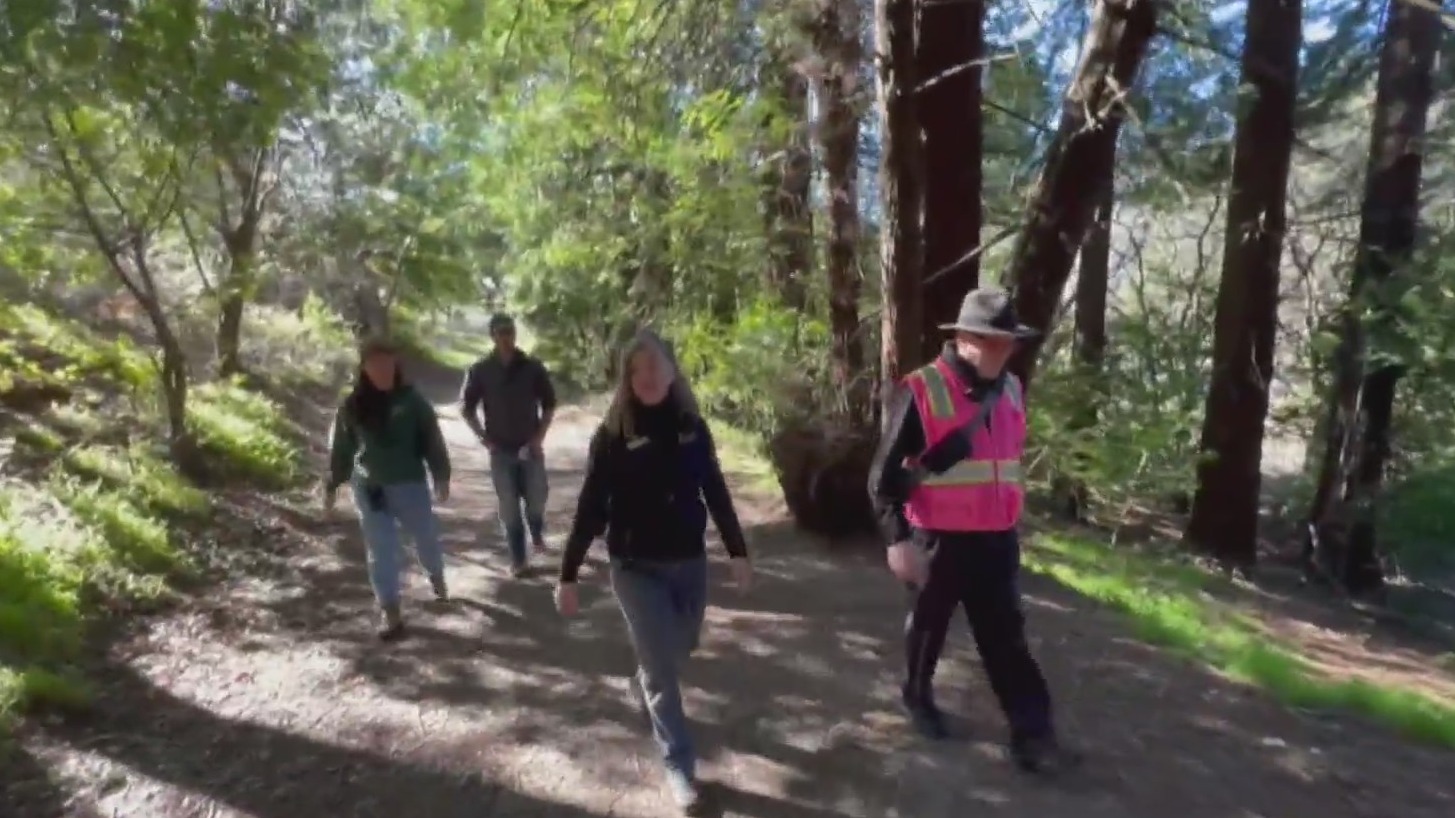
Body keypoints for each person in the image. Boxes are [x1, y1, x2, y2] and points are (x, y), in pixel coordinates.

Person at [867, 287, 1079, 774]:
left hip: (996, 540)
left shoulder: (1011, 389)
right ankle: (918, 696)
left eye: (1009, 342)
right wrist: (898, 540)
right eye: (993, 341)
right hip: (937, 540)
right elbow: (882, 478)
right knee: (928, 628)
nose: (1004, 351)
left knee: (1007, 639)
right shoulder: (921, 389)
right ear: (964, 338)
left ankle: (1033, 735)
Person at [555, 329, 752, 814]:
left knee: (680, 646)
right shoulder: (613, 436)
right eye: (636, 368)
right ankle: (679, 765)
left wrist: (737, 551)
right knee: (663, 670)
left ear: (671, 371)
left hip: (689, 563)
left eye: (654, 365)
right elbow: (589, 507)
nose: (646, 375)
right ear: (627, 377)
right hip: (634, 566)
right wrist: (568, 573)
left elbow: (715, 490)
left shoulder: (692, 427)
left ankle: (648, 671)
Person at [324, 336, 452, 642]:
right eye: (374, 364)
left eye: (386, 363)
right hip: (370, 488)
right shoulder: (353, 405)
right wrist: (332, 484)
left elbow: (432, 439)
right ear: (364, 369)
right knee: (381, 549)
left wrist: (441, 475)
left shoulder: (412, 401)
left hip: (409, 483)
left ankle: (436, 576)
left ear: (396, 365)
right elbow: (342, 449)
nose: (381, 370)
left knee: (425, 537)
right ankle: (390, 610)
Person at [459, 313, 558, 577]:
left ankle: (536, 531)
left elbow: (549, 403)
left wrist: (539, 437)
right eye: (501, 333)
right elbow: (466, 408)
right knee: (509, 507)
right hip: (500, 450)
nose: (506, 337)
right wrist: (484, 439)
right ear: (492, 336)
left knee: (536, 500)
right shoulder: (481, 370)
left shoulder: (532, 367)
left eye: (510, 332)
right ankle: (518, 560)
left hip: (530, 447)